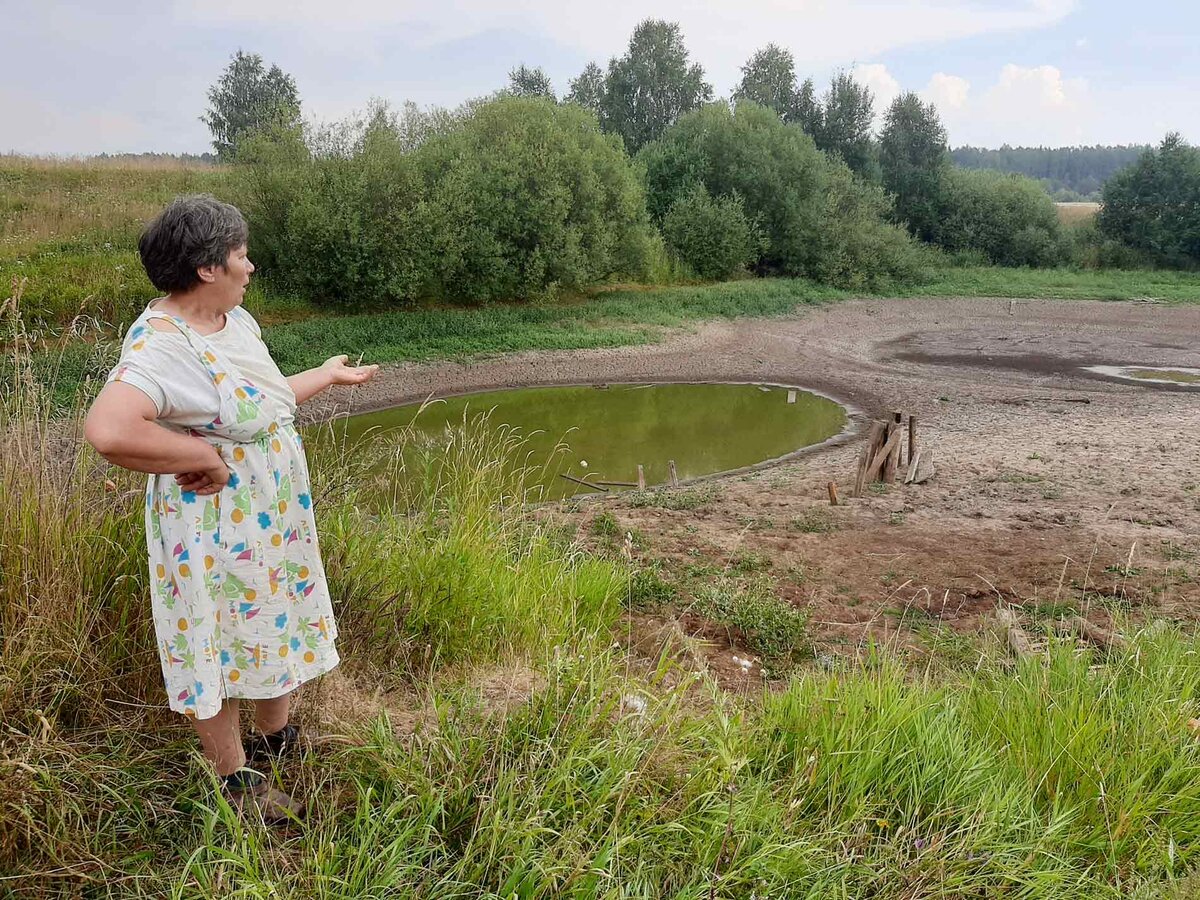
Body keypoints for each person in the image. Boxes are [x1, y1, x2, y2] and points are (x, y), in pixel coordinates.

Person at [85, 194, 378, 824]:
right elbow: (108, 429)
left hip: (270, 512)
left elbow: (260, 407)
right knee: (212, 632)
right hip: (211, 521)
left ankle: (274, 741)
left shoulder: (235, 322)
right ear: (206, 268)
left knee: (274, 615)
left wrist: (324, 376)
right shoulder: (163, 346)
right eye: (240, 255)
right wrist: (206, 460)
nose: (251, 267)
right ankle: (234, 781)